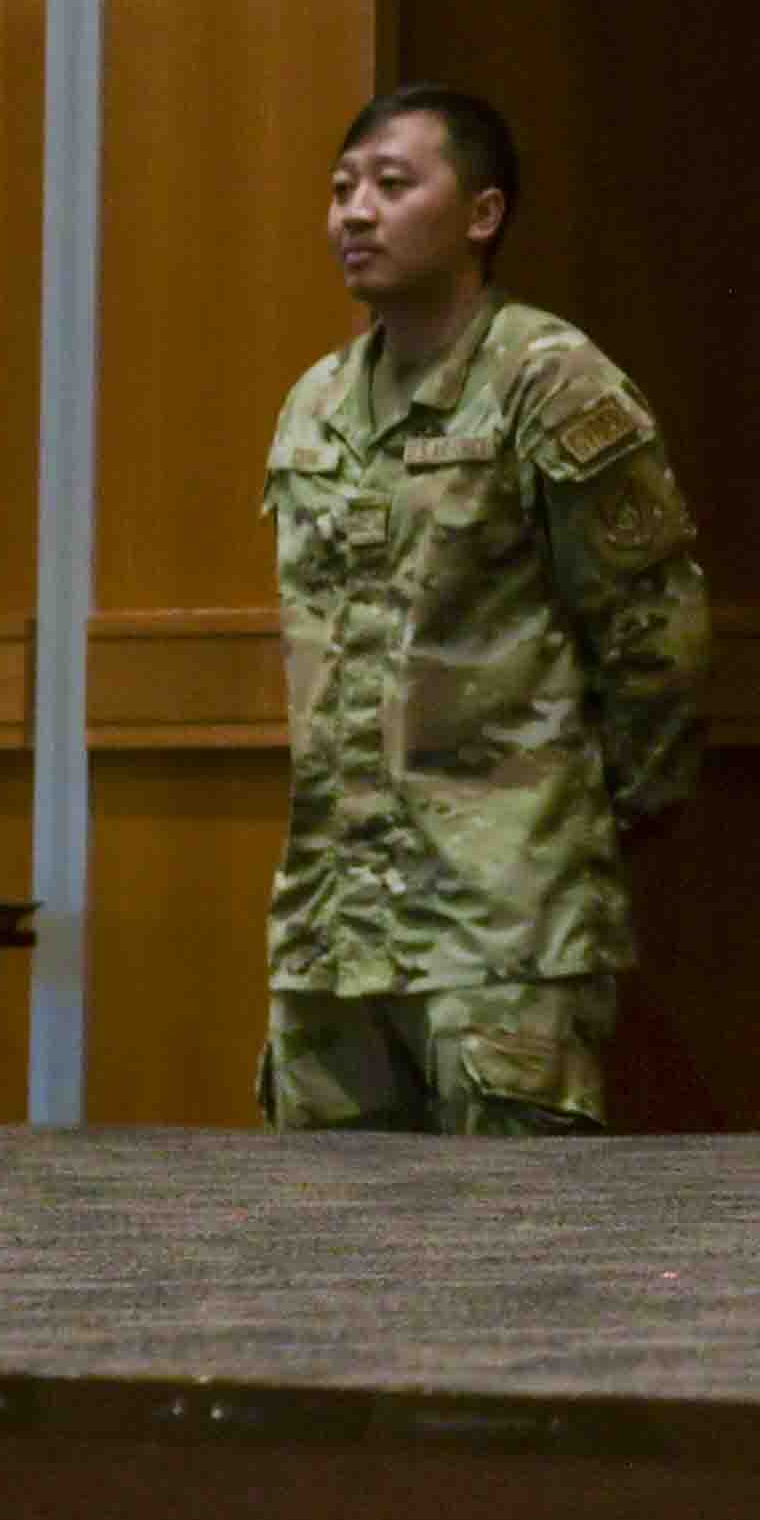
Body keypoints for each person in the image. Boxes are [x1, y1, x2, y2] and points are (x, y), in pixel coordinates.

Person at [261, 85, 711, 1133]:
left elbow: (655, 634)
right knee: (314, 1232)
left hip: (500, 923)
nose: (355, 212)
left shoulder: (548, 381)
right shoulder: (315, 403)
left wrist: (576, 822)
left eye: (391, 184)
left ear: (482, 213)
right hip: (332, 926)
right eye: (341, 188)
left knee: (504, 1229)